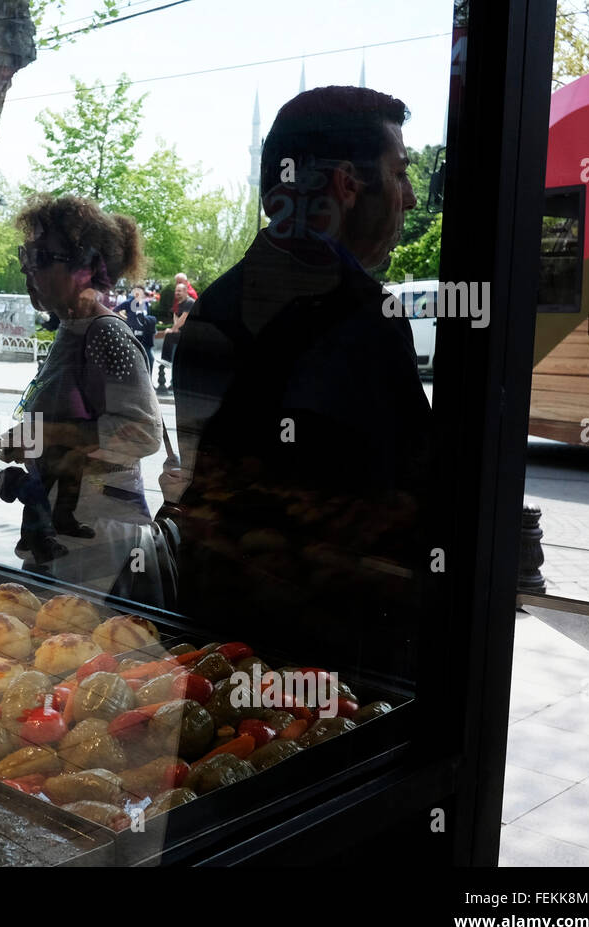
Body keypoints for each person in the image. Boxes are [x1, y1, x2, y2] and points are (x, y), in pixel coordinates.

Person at [171, 86, 432, 661]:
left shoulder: (217, 305)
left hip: (218, 645)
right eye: (399, 173)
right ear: (346, 185)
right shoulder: (362, 320)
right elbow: (399, 507)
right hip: (332, 665)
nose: (411, 198)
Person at [0, 195, 161, 588]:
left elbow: (143, 433)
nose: (27, 269)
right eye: (26, 255)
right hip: (64, 539)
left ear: (86, 268)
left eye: (41, 257)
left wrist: (48, 433)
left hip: (98, 550)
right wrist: (29, 439)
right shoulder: (72, 329)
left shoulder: (105, 335)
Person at [115, 285, 156, 367]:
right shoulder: (128, 302)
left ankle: (148, 374)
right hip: (133, 333)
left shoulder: (145, 303)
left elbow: (147, 317)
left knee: (149, 359)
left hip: (145, 334)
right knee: (132, 357)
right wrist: (125, 319)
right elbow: (116, 310)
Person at [160, 281, 194, 365]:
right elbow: (176, 316)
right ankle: (167, 361)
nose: (176, 293)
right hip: (182, 332)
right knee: (170, 335)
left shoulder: (190, 302)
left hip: (191, 334)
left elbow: (183, 319)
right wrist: (175, 329)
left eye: (179, 291)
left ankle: (167, 361)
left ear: (185, 291)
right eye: (176, 291)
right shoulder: (178, 303)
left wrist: (172, 330)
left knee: (169, 335)